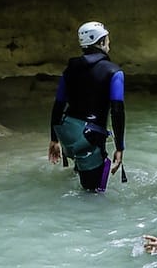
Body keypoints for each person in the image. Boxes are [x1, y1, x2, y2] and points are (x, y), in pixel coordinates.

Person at [48, 20, 125, 192]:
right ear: (101, 41)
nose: (109, 43)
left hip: (67, 133)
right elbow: (117, 111)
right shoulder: (114, 72)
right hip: (90, 137)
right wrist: (120, 147)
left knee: (79, 174)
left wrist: (54, 139)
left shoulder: (69, 69)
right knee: (93, 193)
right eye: (107, 39)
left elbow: (59, 104)